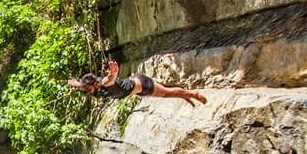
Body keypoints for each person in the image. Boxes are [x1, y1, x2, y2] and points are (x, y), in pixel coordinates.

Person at [69, 59, 206, 106]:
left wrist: (114, 73)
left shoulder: (104, 84)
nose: (87, 90)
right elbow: (82, 85)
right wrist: (76, 83)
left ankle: (193, 93)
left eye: (88, 87)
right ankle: (185, 94)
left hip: (142, 84)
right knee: (166, 92)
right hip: (138, 90)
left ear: (95, 84)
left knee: (166, 93)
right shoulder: (92, 88)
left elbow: (109, 79)